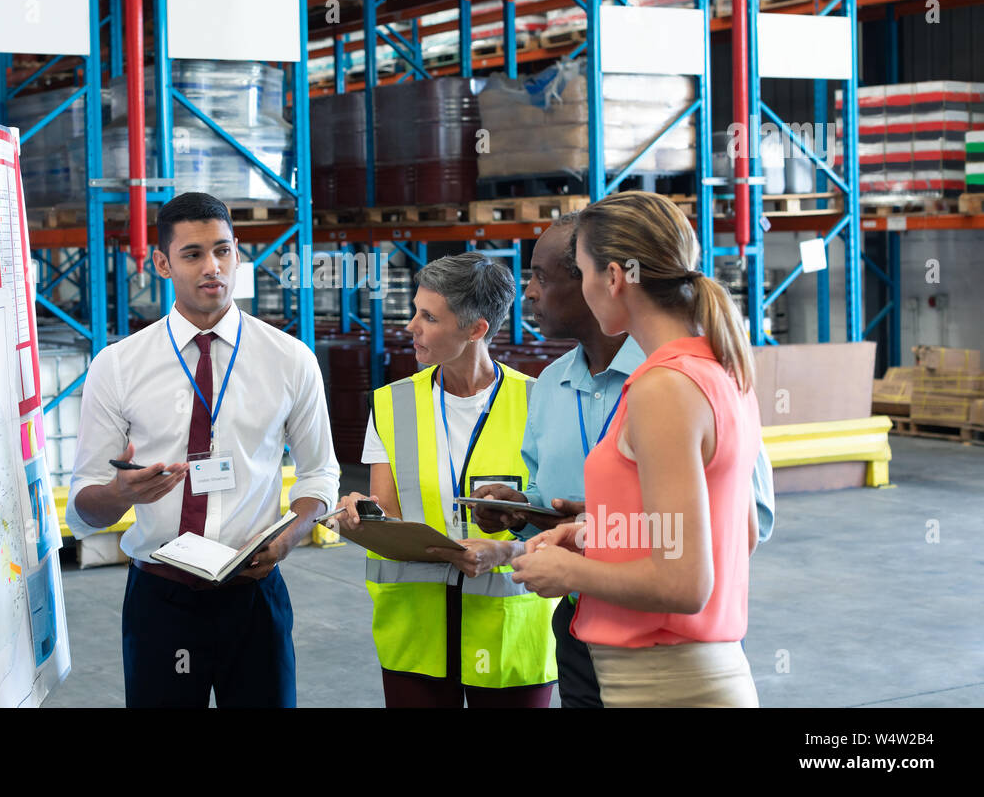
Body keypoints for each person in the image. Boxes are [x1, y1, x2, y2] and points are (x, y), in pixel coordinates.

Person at [472, 213, 777, 707]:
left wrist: (570, 573)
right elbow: (728, 535)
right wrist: (595, 531)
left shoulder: (664, 388)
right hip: (679, 671)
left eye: (586, 272)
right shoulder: (716, 369)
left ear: (612, 278)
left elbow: (686, 582)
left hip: (661, 678)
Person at [65, 192, 339, 708]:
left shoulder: (290, 360)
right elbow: (84, 501)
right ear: (163, 263)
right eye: (193, 254)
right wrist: (121, 494)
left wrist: (290, 536)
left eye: (223, 251)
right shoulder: (119, 365)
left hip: (254, 595)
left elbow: (320, 474)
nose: (212, 267)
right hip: (162, 600)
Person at [330, 252, 557, 707]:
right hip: (416, 632)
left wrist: (508, 549)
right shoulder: (391, 404)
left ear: (476, 329)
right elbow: (387, 515)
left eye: (429, 316)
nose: (410, 326)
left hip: (511, 629)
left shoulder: (541, 403)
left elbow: (562, 521)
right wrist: (361, 515)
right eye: (415, 310)